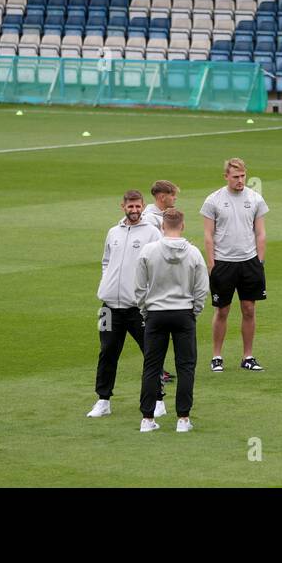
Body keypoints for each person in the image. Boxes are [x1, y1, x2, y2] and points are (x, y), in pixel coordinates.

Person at [87, 190, 166, 419]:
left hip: (137, 307)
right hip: (109, 305)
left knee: (151, 353)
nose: (134, 210)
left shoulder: (152, 233)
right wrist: (106, 284)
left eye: (137, 206)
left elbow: (158, 265)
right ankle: (103, 400)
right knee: (107, 352)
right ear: (122, 206)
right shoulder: (113, 232)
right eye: (130, 206)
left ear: (143, 206)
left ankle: (158, 400)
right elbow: (106, 261)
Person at [134, 209, 208, 433]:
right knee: (185, 367)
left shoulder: (148, 251)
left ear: (162, 227)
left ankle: (147, 419)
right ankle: (183, 419)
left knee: (151, 366)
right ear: (182, 226)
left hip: (156, 313)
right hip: (183, 313)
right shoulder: (194, 253)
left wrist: (145, 310)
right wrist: (194, 311)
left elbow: (139, 287)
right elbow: (202, 288)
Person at [201, 157, 269, 372]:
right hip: (223, 262)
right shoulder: (213, 200)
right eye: (236, 177)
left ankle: (247, 356)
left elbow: (260, 232)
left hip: (249, 262)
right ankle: (217, 356)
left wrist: (260, 261)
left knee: (249, 309)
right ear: (226, 177)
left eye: (243, 176)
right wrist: (211, 264)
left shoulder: (255, 199)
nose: (240, 180)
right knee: (222, 310)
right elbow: (208, 235)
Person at [143, 179, 181, 385]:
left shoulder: (161, 216)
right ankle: (156, 369)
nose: (175, 198)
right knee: (152, 330)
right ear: (161, 196)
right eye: (172, 194)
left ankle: (158, 368)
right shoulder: (150, 219)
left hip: (161, 278)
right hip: (153, 281)